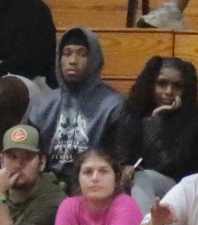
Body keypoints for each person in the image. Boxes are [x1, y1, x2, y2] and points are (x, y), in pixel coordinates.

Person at [25, 28, 124, 185]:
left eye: (82, 54)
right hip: (47, 186)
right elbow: (29, 155)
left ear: (94, 59)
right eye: (67, 53)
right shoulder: (43, 105)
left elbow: (118, 160)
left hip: (94, 184)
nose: (73, 60)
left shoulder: (112, 105)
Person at [113, 56, 198, 211]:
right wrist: (125, 167)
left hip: (181, 187)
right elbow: (121, 151)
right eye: (162, 84)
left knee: (141, 178)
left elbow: (165, 165)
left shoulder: (195, 118)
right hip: (139, 185)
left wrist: (155, 122)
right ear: (150, 84)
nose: (168, 91)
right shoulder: (133, 110)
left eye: (177, 86)